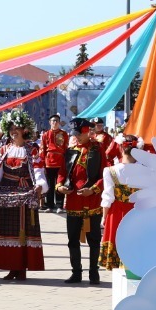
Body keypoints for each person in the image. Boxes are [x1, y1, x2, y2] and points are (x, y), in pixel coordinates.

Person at [0, 110, 46, 281]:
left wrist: (39, 186)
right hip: (7, 195)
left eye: (17, 128)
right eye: (11, 129)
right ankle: (11, 267)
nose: (14, 131)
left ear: (25, 130)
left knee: (23, 230)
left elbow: (38, 172)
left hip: (25, 194)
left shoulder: (32, 150)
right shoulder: (3, 150)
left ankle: (21, 267)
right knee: (8, 231)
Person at [56, 120, 105, 285]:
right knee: (72, 240)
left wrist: (94, 189)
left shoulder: (98, 149)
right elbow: (62, 172)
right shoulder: (70, 151)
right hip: (73, 201)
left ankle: (94, 274)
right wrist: (60, 186)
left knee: (94, 240)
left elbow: (104, 174)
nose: (76, 137)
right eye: (75, 134)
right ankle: (76, 272)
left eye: (79, 134)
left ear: (87, 132)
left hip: (92, 201)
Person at [98, 134, 140, 274]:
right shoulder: (146, 170)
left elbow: (108, 197)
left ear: (121, 148)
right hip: (137, 212)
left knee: (118, 242)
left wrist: (104, 218)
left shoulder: (110, 171)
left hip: (117, 213)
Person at [39, 114, 68, 214]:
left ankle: (59, 205)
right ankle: (50, 205)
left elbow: (66, 148)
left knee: (59, 184)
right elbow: (42, 149)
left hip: (60, 162)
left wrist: (66, 162)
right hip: (49, 163)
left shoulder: (64, 134)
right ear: (50, 122)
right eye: (53, 121)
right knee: (50, 185)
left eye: (56, 121)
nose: (54, 122)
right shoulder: (45, 135)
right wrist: (42, 162)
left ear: (59, 122)